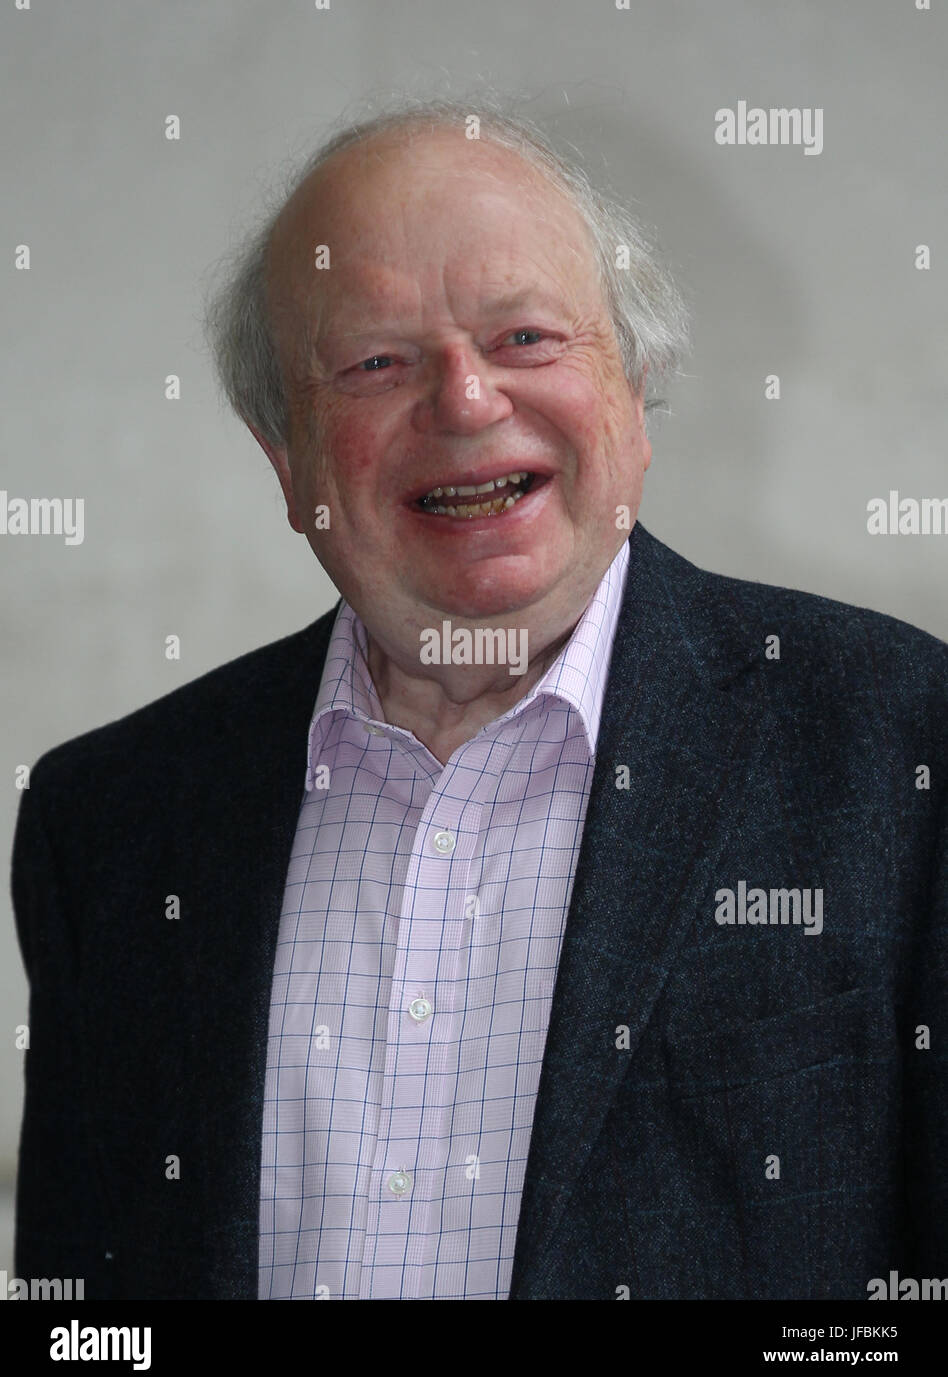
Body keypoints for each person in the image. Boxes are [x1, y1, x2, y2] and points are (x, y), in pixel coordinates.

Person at [12, 96, 946, 1301]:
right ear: (285, 456)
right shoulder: (113, 822)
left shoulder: (899, 751)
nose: (463, 402)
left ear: (635, 386)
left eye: (526, 341)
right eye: (375, 363)